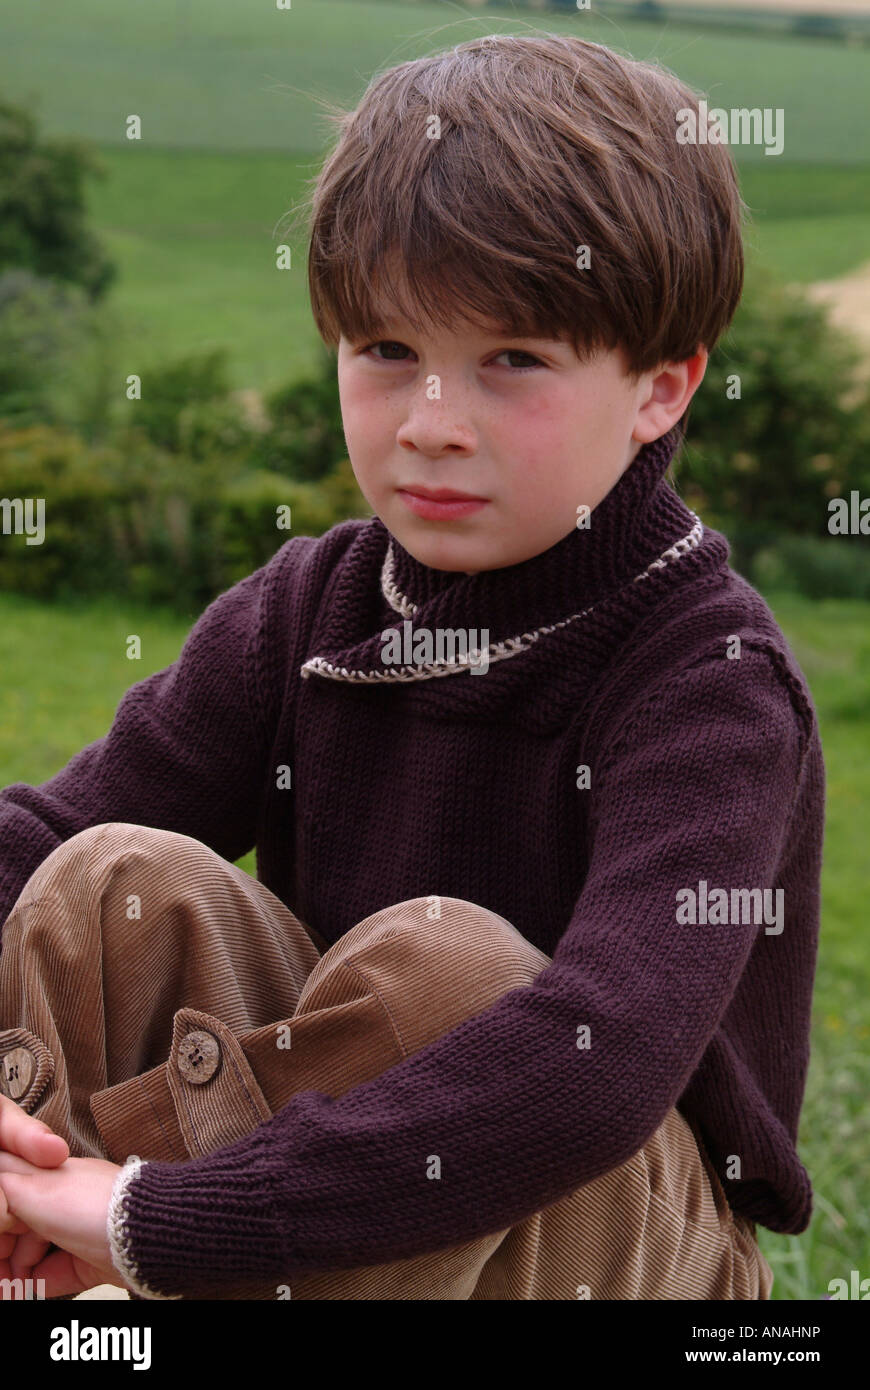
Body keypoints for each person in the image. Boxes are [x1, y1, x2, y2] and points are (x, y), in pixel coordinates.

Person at [0, 32, 823, 1301]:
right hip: (322, 1203)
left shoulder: (709, 676)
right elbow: (41, 831)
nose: (433, 421)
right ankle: (39, 1254)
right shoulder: (313, 604)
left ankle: (144, 1257)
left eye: (514, 361)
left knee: (453, 970)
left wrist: (170, 1214)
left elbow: (594, 1061)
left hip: (631, 1247)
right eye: (387, 349)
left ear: (661, 386)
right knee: (107, 877)